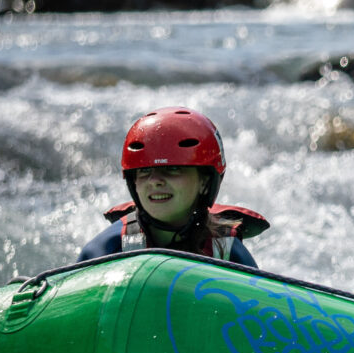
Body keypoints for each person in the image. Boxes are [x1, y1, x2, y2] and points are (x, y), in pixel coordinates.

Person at [79, 108, 266, 264]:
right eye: (144, 171)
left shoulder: (226, 250)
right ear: (132, 182)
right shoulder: (107, 249)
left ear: (205, 182)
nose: (155, 180)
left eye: (173, 169)